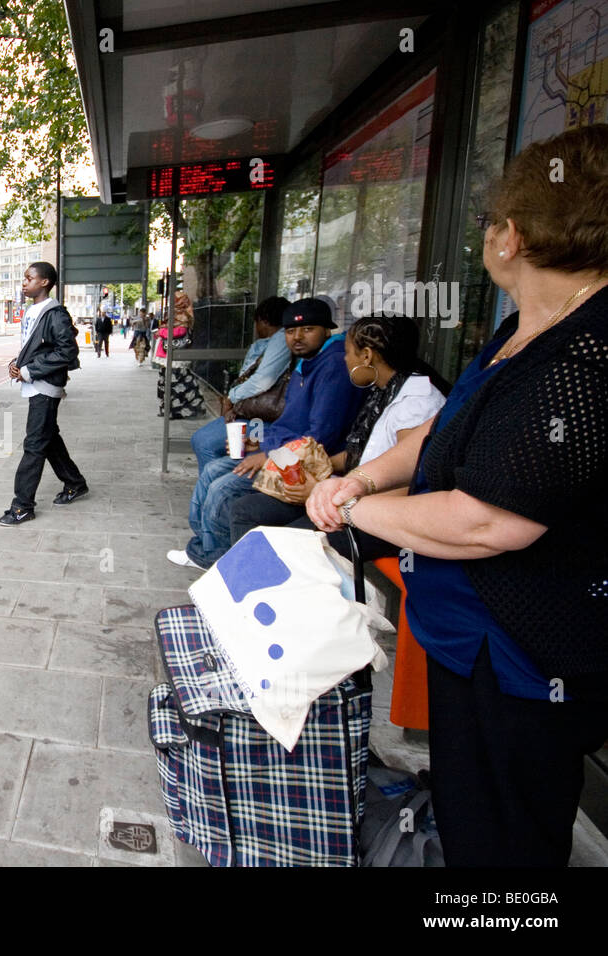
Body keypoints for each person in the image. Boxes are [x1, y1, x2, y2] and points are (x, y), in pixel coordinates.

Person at [306, 125, 608, 866]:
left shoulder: (584, 357)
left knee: (503, 837)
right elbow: (442, 431)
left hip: (524, 657)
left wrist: (354, 510)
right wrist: (364, 477)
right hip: (465, 636)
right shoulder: (521, 328)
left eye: (489, 221)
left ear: (512, 236)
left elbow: (488, 523)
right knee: (467, 805)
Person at [228, 313, 449, 557]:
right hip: (348, 492)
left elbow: (409, 486)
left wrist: (320, 491)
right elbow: (364, 452)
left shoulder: (417, 402)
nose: (344, 360)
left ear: (366, 356)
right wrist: (310, 471)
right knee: (245, 510)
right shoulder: (382, 390)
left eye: (347, 352)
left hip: (377, 517)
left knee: (289, 546)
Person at [169, 297, 361, 569]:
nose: (297, 337)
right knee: (212, 471)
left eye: (308, 330)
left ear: (326, 329)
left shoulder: (332, 367)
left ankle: (214, 556)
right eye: (291, 331)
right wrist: (259, 443)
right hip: (280, 450)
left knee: (222, 488)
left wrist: (269, 455)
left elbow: (320, 438)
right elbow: (290, 422)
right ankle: (207, 547)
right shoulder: (307, 361)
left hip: (299, 463)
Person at [0, 261, 88, 525]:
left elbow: (67, 352)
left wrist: (30, 371)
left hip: (45, 386)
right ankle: (75, 482)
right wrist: (17, 363)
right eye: (24, 278)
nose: (24, 282)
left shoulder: (55, 313)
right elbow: (34, 347)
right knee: (48, 438)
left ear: (44, 282)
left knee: (34, 444)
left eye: (29, 278)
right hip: (36, 383)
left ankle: (22, 506)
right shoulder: (33, 311)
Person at [189, 296, 291, 468]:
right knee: (209, 444)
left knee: (204, 443)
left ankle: (220, 483)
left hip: (262, 417)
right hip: (254, 414)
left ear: (263, 321)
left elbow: (262, 381)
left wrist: (231, 397)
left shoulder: (281, 339)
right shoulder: (267, 343)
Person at [153, 293, 201, 417]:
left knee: (175, 383)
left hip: (175, 356)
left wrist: (162, 331)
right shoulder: (178, 313)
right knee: (171, 382)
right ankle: (170, 409)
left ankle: (174, 410)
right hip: (171, 355)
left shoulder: (183, 315)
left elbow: (178, 331)